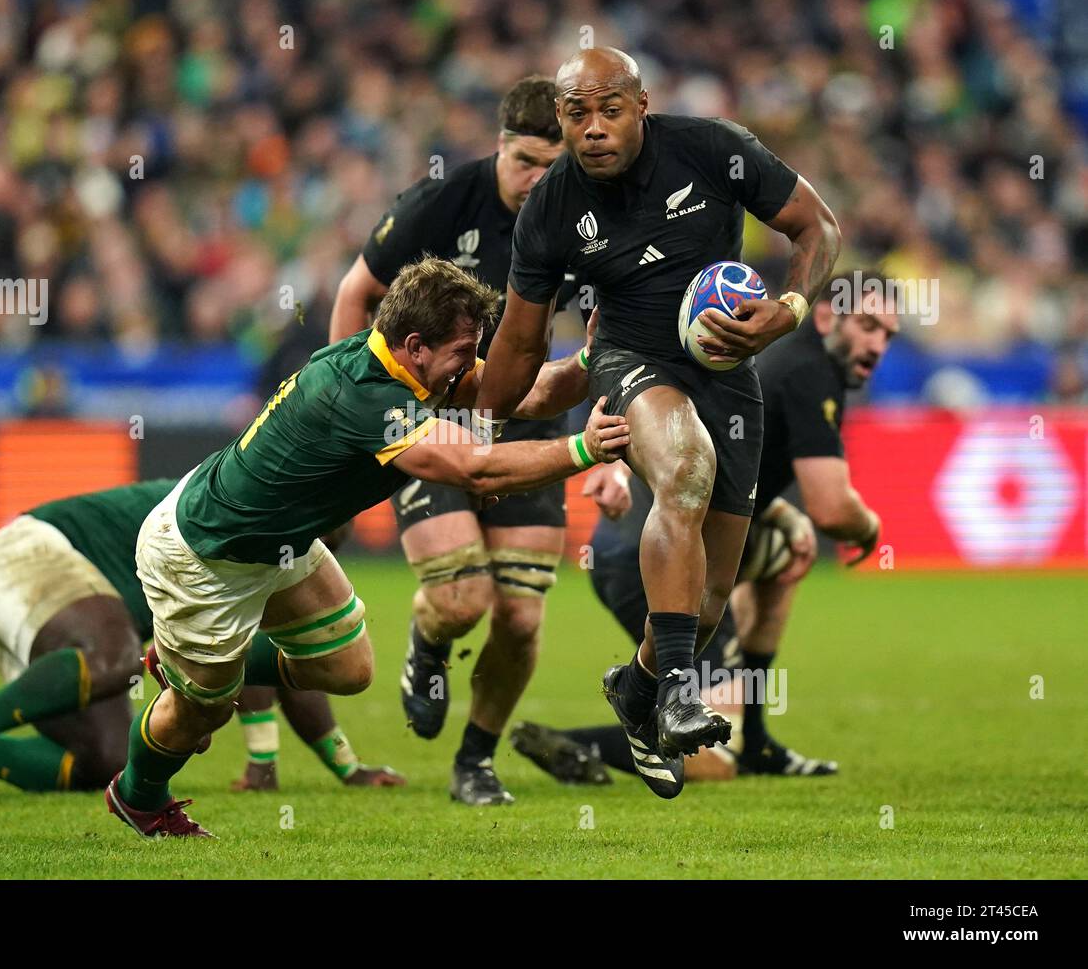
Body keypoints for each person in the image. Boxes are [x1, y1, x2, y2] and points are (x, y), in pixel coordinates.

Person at [106, 256, 628, 838]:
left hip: (278, 544)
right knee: (200, 712)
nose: (469, 366)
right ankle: (140, 796)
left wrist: (588, 360)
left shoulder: (410, 366)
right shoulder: (364, 396)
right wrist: (582, 450)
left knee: (348, 668)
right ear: (415, 345)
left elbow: (517, 398)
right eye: (463, 351)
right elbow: (473, 470)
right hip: (205, 556)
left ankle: (190, 666)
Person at [473, 47, 842, 799]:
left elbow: (819, 228)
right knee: (684, 466)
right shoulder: (549, 209)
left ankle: (637, 686)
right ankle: (676, 694)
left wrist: (789, 310)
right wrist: (475, 403)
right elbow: (516, 345)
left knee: (709, 600)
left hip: (728, 373)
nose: (594, 128)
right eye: (577, 114)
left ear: (641, 105)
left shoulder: (713, 149)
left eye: (610, 108)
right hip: (630, 359)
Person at [513, 271, 896, 783]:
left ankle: (756, 740)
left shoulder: (772, 363)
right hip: (650, 554)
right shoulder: (807, 371)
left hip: (639, 539)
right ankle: (580, 746)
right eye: (868, 325)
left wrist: (781, 513)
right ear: (826, 315)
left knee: (789, 554)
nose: (877, 343)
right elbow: (832, 508)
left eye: (888, 334)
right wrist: (871, 529)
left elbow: (727, 463)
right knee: (715, 752)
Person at [330, 76, 573, 805]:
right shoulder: (441, 201)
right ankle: (429, 645)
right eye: (527, 161)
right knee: (464, 598)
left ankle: (477, 759)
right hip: (434, 413)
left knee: (523, 616)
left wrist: (612, 457)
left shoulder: (578, 214)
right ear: (500, 145)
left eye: (552, 168)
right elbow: (354, 295)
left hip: (526, 415)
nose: (538, 181)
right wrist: (349, 414)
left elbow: (611, 328)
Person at [0, 478, 403, 799]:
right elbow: (256, 658)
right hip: (24, 554)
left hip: (38, 601)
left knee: (105, 761)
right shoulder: (245, 521)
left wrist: (347, 768)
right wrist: (263, 760)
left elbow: (286, 657)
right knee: (115, 656)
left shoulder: (269, 524)